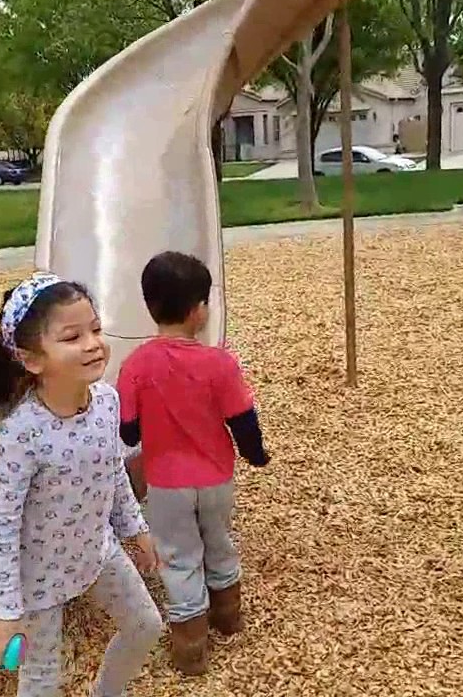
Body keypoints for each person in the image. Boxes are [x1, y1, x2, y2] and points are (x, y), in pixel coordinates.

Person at [0, 271, 164, 697]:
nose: (92, 343)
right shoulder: (22, 434)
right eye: (72, 337)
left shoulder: (107, 402)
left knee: (146, 626)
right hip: (39, 581)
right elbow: (3, 526)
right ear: (32, 360)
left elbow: (113, 469)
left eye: (95, 329)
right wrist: (3, 608)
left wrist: (135, 529)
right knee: (40, 682)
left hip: (97, 551)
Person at [116, 251, 269, 676]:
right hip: (216, 478)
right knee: (218, 541)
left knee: (179, 557)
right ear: (198, 311)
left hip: (166, 485)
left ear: (150, 306)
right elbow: (243, 420)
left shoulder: (135, 366)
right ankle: (228, 616)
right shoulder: (220, 363)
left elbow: (128, 431)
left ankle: (191, 649)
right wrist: (256, 456)